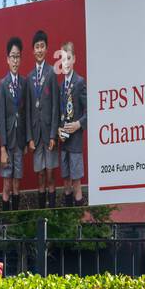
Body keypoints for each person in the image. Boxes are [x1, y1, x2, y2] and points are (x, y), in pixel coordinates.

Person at [26, 29, 59, 208]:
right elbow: (29, 109)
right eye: (36, 47)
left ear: (46, 49)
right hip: (36, 135)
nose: (39, 50)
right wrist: (30, 137)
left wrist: (54, 134)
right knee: (39, 174)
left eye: (42, 46)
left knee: (50, 174)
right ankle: (41, 209)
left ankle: (52, 209)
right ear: (33, 50)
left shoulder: (52, 73)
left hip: (49, 134)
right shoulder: (29, 77)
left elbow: (55, 106)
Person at [0, 36, 28, 210]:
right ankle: (5, 215)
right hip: (7, 142)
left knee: (17, 182)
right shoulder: (2, 84)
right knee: (7, 183)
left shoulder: (24, 83)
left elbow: (25, 112)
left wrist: (25, 140)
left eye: (18, 57)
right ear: (7, 59)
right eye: (12, 57)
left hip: (20, 141)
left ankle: (15, 212)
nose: (15, 60)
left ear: (20, 59)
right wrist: (2, 147)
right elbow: (1, 116)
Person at [56, 41, 88, 206]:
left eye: (68, 58)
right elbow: (60, 113)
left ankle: (79, 212)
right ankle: (67, 209)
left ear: (74, 59)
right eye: (63, 59)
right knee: (66, 179)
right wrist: (59, 130)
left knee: (76, 181)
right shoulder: (61, 85)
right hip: (64, 141)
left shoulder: (80, 82)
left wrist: (78, 124)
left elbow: (89, 112)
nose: (66, 62)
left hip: (75, 142)